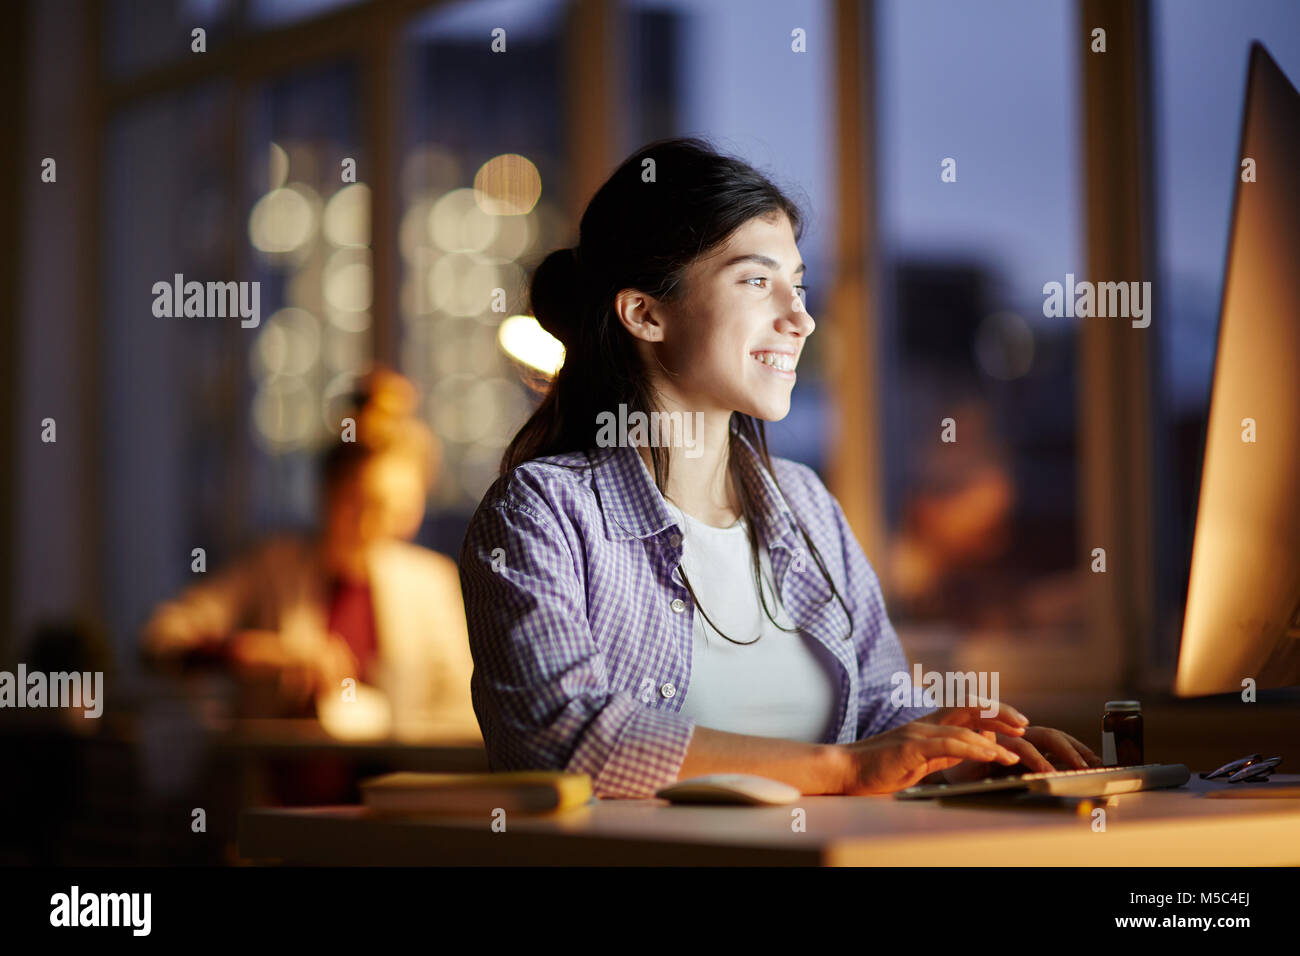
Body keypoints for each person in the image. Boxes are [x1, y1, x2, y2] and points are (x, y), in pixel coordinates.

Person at [459, 138, 1099, 798]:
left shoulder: (805, 503)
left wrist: (964, 753)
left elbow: (879, 713)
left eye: (798, 286)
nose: (800, 318)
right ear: (645, 313)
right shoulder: (542, 511)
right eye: (757, 281)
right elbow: (565, 740)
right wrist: (844, 769)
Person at [143, 368, 479, 741]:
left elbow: (462, 711)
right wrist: (262, 653)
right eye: (356, 503)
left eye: (387, 509)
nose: (368, 525)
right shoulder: (273, 566)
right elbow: (162, 638)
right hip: (280, 783)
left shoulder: (427, 584)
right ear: (327, 493)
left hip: (391, 788)